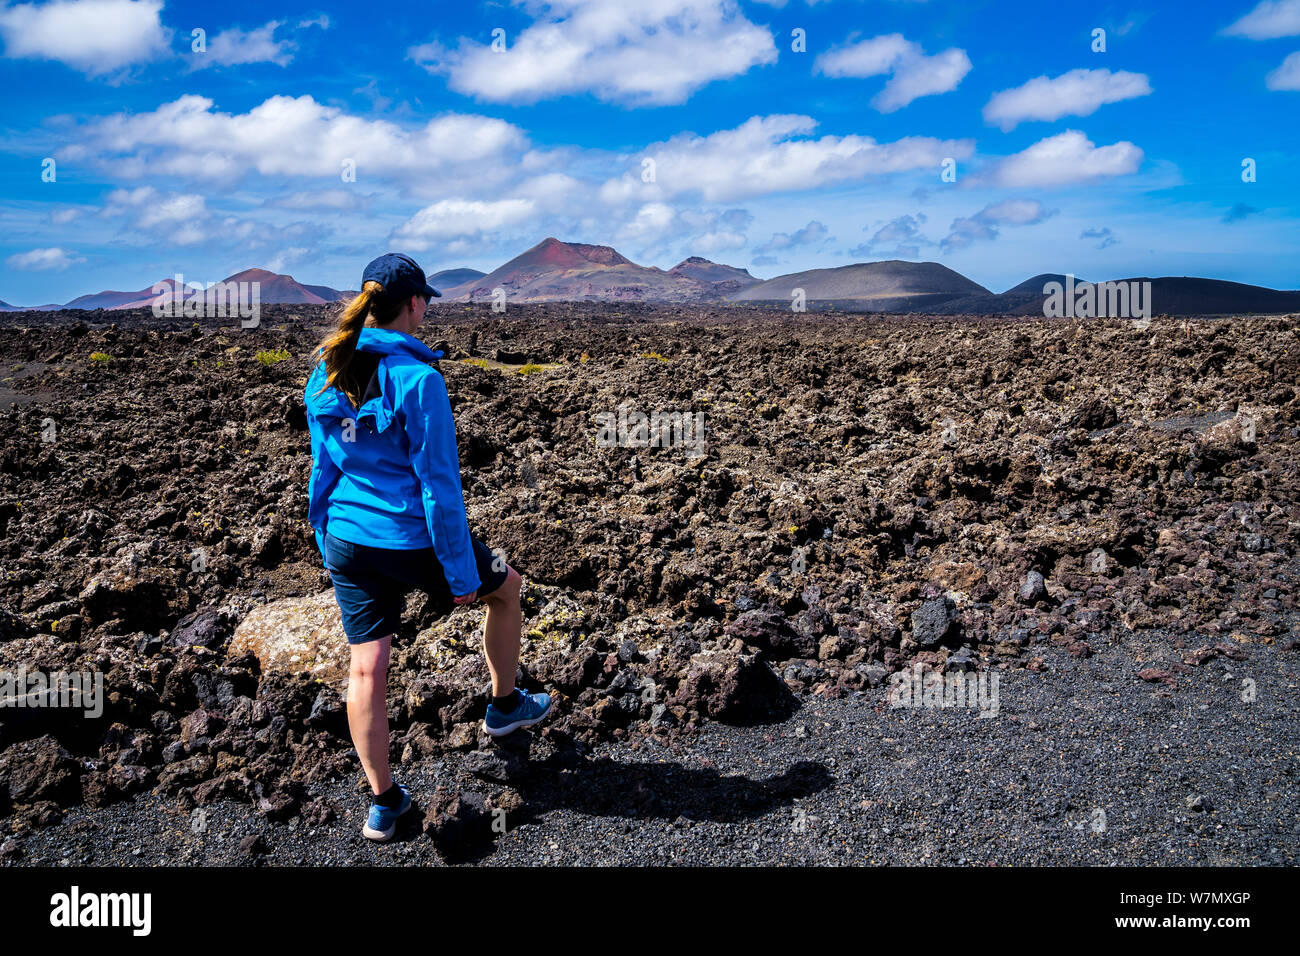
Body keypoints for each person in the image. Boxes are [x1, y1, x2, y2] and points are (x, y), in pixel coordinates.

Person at [304, 252, 552, 842]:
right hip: (412, 540)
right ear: (414, 303)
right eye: (425, 302)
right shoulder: (420, 380)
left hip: (347, 539)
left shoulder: (327, 371)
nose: (426, 311)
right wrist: (461, 572)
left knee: (367, 668)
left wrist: (324, 536)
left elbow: (324, 467)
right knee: (507, 590)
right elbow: (439, 488)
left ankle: (385, 804)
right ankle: (504, 705)